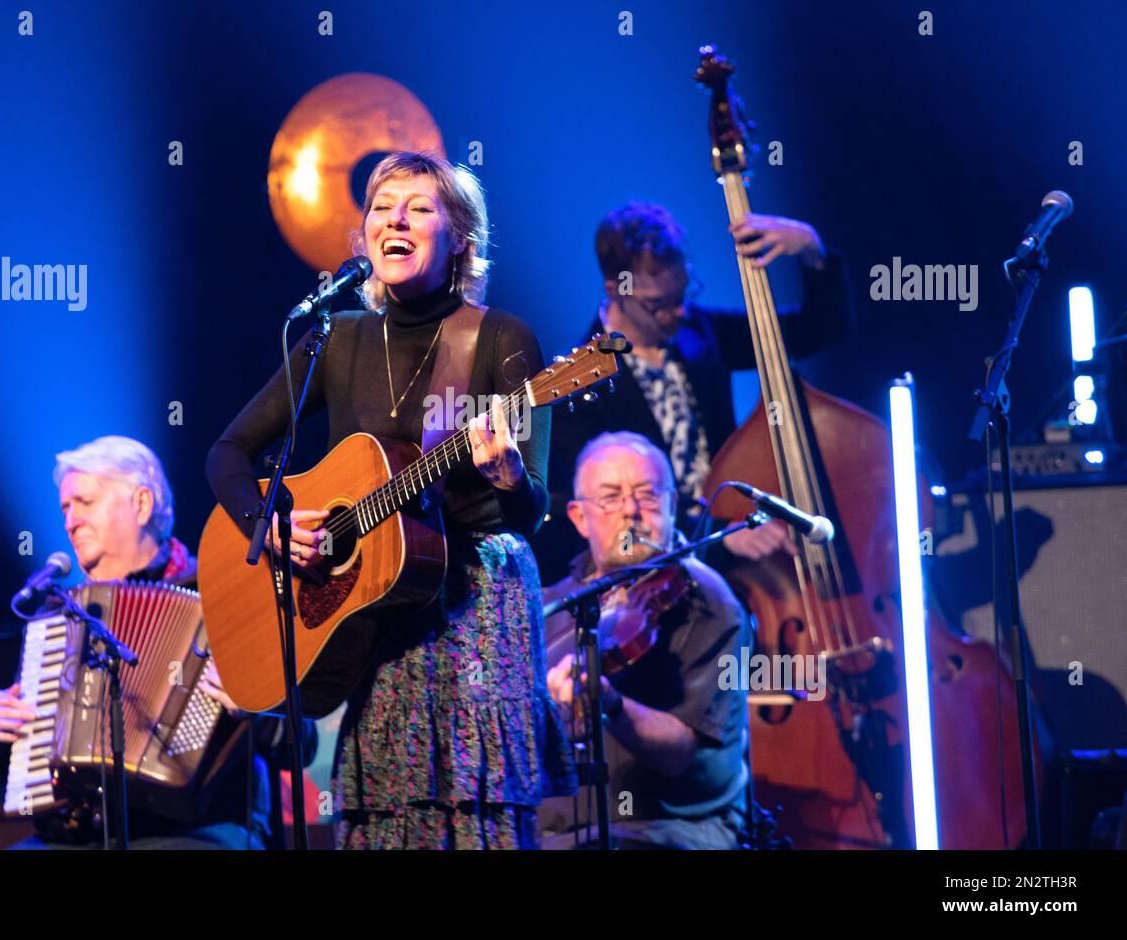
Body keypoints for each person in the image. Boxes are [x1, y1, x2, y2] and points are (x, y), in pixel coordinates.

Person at [206, 151, 575, 849]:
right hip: (375, 618)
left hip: (475, 609)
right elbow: (226, 454)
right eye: (381, 206)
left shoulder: (501, 339)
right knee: (382, 821)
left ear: (460, 237)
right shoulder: (334, 341)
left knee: (476, 818)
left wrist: (502, 474)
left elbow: (531, 511)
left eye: (419, 207)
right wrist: (272, 525)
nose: (395, 219)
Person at [0, 435, 312, 849]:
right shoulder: (62, 619)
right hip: (79, 835)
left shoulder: (221, 591)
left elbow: (304, 741)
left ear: (141, 504)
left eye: (84, 503)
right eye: (65, 508)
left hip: (199, 830)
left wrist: (257, 706)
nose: (69, 522)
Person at [534, 201, 853, 581]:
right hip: (653, 578)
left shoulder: (700, 332)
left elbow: (819, 330)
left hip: (741, 566)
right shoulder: (578, 384)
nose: (679, 312)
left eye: (684, 294)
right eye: (658, 304)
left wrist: (811, 250)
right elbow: (604, 519)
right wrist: (717, 538)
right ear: (615, 289)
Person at [540, 431, 752, 849]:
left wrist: (608, 702)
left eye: (648, 495)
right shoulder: (552, 604)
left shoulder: (706, 599)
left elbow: (680, 756)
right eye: (610, 498)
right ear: (579, 517)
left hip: (670, 827)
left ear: (673, 505)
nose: (631, 512)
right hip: (560, 832)